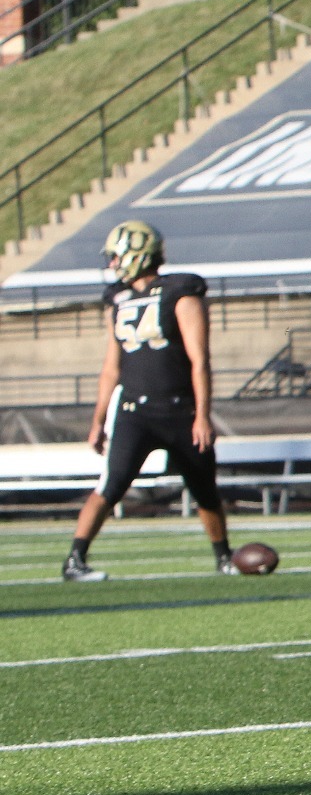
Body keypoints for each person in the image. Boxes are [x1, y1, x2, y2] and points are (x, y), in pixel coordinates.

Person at [62, 221, 237, 581]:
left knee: (205, 488)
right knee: (110, 486)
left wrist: (203, 415)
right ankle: (75, 560)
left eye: (116, 256)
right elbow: (111, 368)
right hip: (133, 411)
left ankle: (224, 557)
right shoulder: (118, 299)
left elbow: (199, 358)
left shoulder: (180, 291)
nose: (112, 264)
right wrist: (97, 420)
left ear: (137, 254)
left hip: (179, 410)